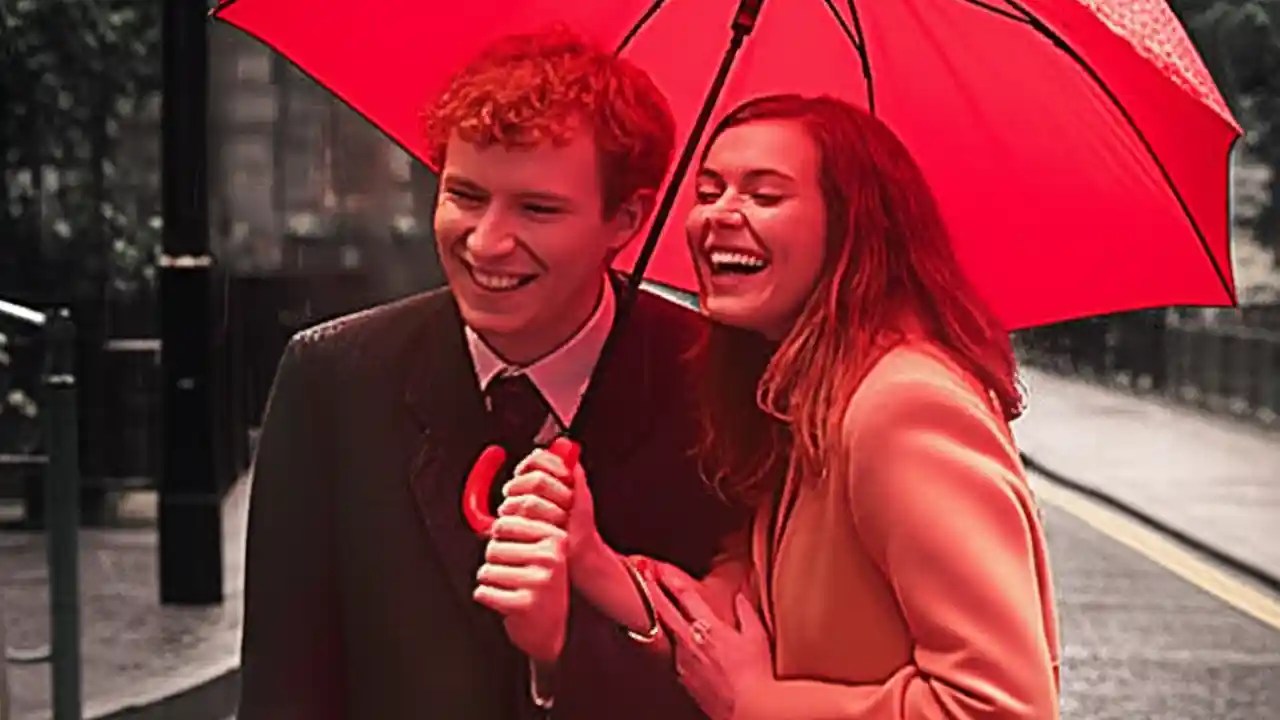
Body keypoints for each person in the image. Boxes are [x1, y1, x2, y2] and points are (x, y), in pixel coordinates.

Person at [506, 94, 1062, 719]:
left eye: (764, 196)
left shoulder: (902, 408)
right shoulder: (809, 397)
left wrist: (757, 705)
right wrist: (589, 556)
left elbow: (1000, 708)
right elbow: (730, 618)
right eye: (709, 190)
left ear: (853, 227)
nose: (720, 215)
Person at [236, 28, 736, 719]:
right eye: (465, 196)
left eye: (537, 209)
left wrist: (562, 648)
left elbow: (735, 682)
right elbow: (284, 680)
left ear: (627, 218)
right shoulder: (334, 377)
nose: (486, 242)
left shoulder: (714, 386)